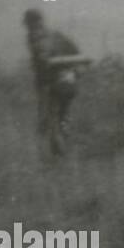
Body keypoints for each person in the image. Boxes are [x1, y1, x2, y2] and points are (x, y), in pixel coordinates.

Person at [23, 9, 82, 156]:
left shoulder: (35, 39)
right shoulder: (57, 35)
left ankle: (59, 158)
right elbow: (76, 52)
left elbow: (42, 64)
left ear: (31, 24)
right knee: (63, 119)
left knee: (50, 121)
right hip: (69, 82)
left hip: (51, 85)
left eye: (28, 24)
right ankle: (65, 153)